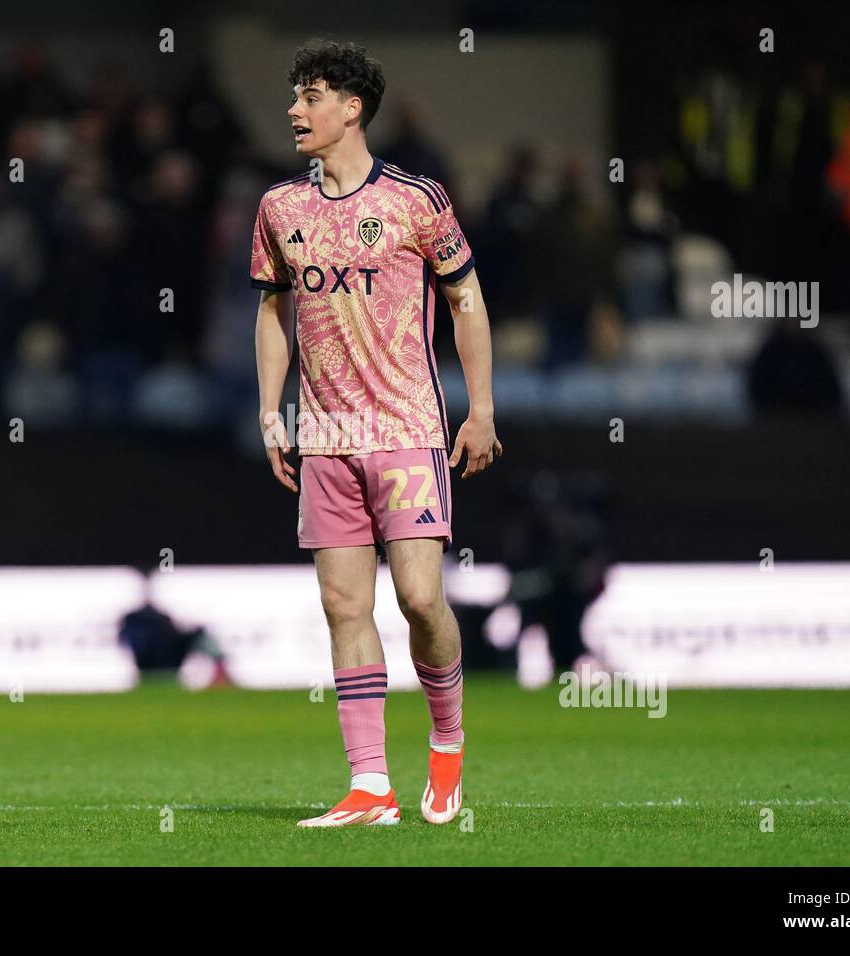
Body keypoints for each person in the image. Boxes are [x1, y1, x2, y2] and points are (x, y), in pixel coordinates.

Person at [251, 40, 502, 827]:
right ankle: (370, 787)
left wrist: (483, 409)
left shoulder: (416, 200)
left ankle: (449, 742)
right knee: (341, 605)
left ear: (352, 108)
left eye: (312, 95)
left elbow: (467, 302)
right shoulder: (278, 209)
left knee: (422, 598)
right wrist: (271, 410)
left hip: (405, 426)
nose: (295, 109)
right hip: (325, 433)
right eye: (295, 96)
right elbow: (271, 310)